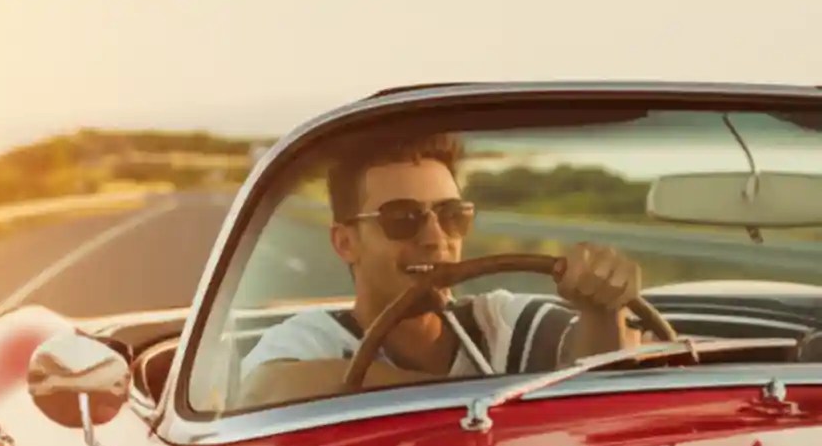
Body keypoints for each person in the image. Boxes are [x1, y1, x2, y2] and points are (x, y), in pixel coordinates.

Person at [239, 132, 642, 407]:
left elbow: (599, 376)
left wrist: (602, 310)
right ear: (346, 242)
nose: (436, 238)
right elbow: (265, 389)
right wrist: (459, 400)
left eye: (452, 215)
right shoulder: (309, 342)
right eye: (402, 218)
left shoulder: (500, 322)